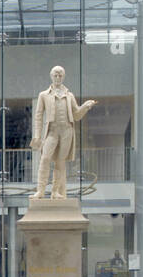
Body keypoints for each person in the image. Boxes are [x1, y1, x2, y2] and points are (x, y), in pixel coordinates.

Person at [31, 65, 96, 199]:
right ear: (51, 76)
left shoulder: (69, 95)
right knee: (45, 159)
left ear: (63, 77)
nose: (57, 77)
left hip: (67, 132)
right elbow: (38, 116)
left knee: (60, 162)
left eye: (60, 75)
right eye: (55, 75)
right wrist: (37, 135)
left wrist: (85, 107)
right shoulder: (43, 95)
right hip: (52, 132)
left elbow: (76, 115)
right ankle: (41, 191)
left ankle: (55, 191)